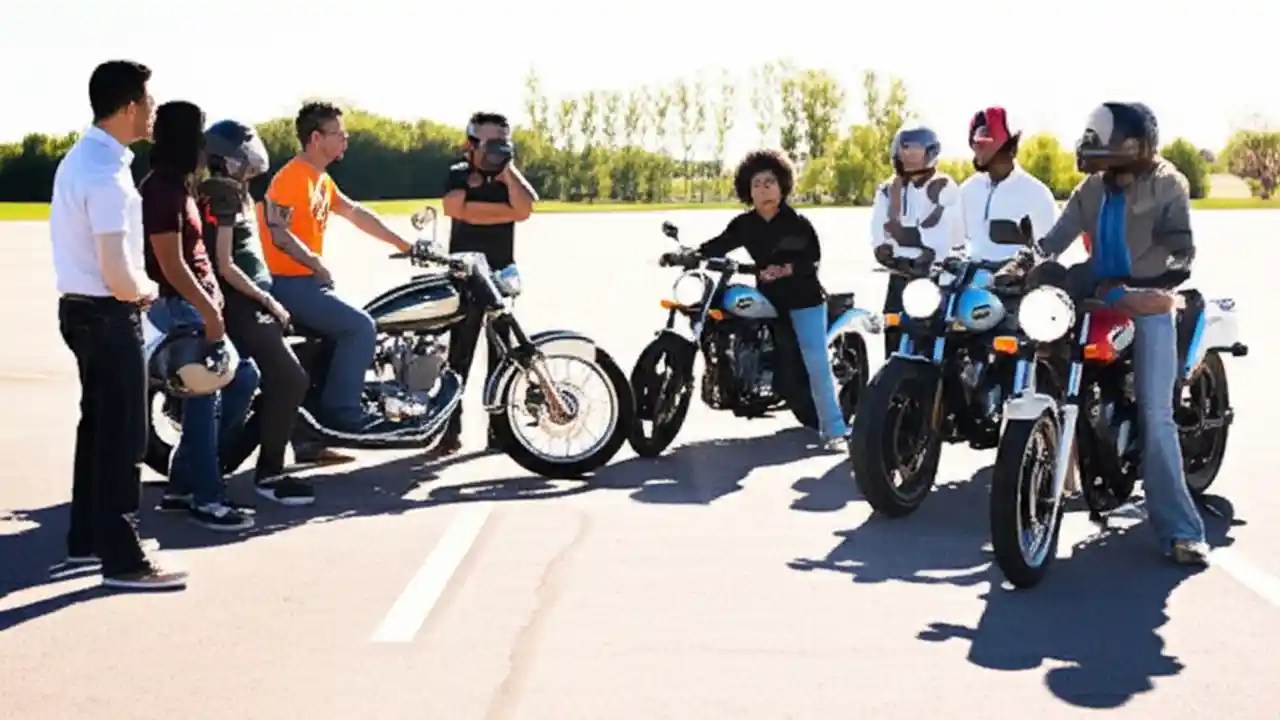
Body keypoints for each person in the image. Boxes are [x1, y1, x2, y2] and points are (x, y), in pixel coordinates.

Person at [993, 101, 1210, 566]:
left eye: (1108, 143)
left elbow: (1179, 249)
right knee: (1046, 354)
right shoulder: (1092, 189)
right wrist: (1024, 263)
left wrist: (1148, 281)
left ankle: (1181, 530)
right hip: (1095, 291)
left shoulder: (1168, 184)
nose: (1097, 152)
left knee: (1157, 415)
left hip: (1147, 300)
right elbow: (1055, 239)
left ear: (1136, 146)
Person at [47, 59, 186, 588]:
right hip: (108, 314)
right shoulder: (105, 175)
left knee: (98, 431)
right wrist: (146, 290)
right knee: (124, 436)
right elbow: (116, 270)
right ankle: (124, 559)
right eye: (149, 102)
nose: (153, 111)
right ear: (129, 107)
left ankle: (87, 539)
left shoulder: (83, 159)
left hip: (81, 312)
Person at [260, 101, 414, 439]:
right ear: (316, 138)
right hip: (289, 283)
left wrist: (405, 245)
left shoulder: (320, 179)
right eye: (339, 134)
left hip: (307, 282)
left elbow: (355, 213)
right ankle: (344, 414)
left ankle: (309, 439)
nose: (345, 140)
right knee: (360, 328)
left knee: (344, 332)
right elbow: (278, 232)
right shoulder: (292, 177)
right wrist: (315, 263)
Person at [140, 100, 259, 531]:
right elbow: (171, 263)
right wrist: (210, 312)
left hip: (195, 307)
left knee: (241, 379)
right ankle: (207, 499)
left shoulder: (180, 186)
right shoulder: (161, 190)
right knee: (205, 398)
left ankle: (181, 483)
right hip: (183, 309)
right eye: (199, 136)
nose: (204, 146)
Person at [692, 149, 849, 450]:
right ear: (747, 191)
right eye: (756, 184)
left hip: (804, 298)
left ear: (782, 186)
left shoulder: (798, 223)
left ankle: (836, 430)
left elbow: (812, 261)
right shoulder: (744, 224)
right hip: (769, 297)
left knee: (816, 360)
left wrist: (786, 268)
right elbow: (720, 245)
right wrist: (692, 254)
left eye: (769, 182)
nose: (763, 188)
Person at [199, 119, 315, 505]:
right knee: (291, 379)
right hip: (242, 301)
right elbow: (225, 263)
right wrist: (268, 301)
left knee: (283, 378)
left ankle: (228, 457)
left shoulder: (238, 192)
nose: (248, 159)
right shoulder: (221, 194)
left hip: (252, 297)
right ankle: (269, 474)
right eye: (239, 152)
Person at [433, 111, 538, 456]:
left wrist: (506, 179)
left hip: (500, 277)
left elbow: (526, 207)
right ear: (472, 143)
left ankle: (499, 430)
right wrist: (505, 212)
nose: (498, 149)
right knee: (458, 356)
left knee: (503, 355)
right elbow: (455, 209)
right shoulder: (459, 173)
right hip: (465, 277)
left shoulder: (509, 177)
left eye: (504, 141)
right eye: (491, 142)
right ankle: (449, 429)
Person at [868, 125, 964, 358]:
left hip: (935, 276)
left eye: (914, 148)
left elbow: (942, 229)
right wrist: (882, 248)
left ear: (930, 152)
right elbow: (879, 224)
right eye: (904, 147)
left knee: (932, 338)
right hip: (900, 273)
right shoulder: (889, 188)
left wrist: (922, 249)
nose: (907, 154)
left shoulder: (943, 186)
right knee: (893, 331)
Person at [959, 106, 1059, 263]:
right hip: (967, 281)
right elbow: (953, 244)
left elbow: (1050, 257)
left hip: (1015, 284)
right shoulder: (966, 190)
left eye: (983, 138)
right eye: (974, 140)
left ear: (1012, 148)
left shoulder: (1037, 194)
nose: (975, 146)